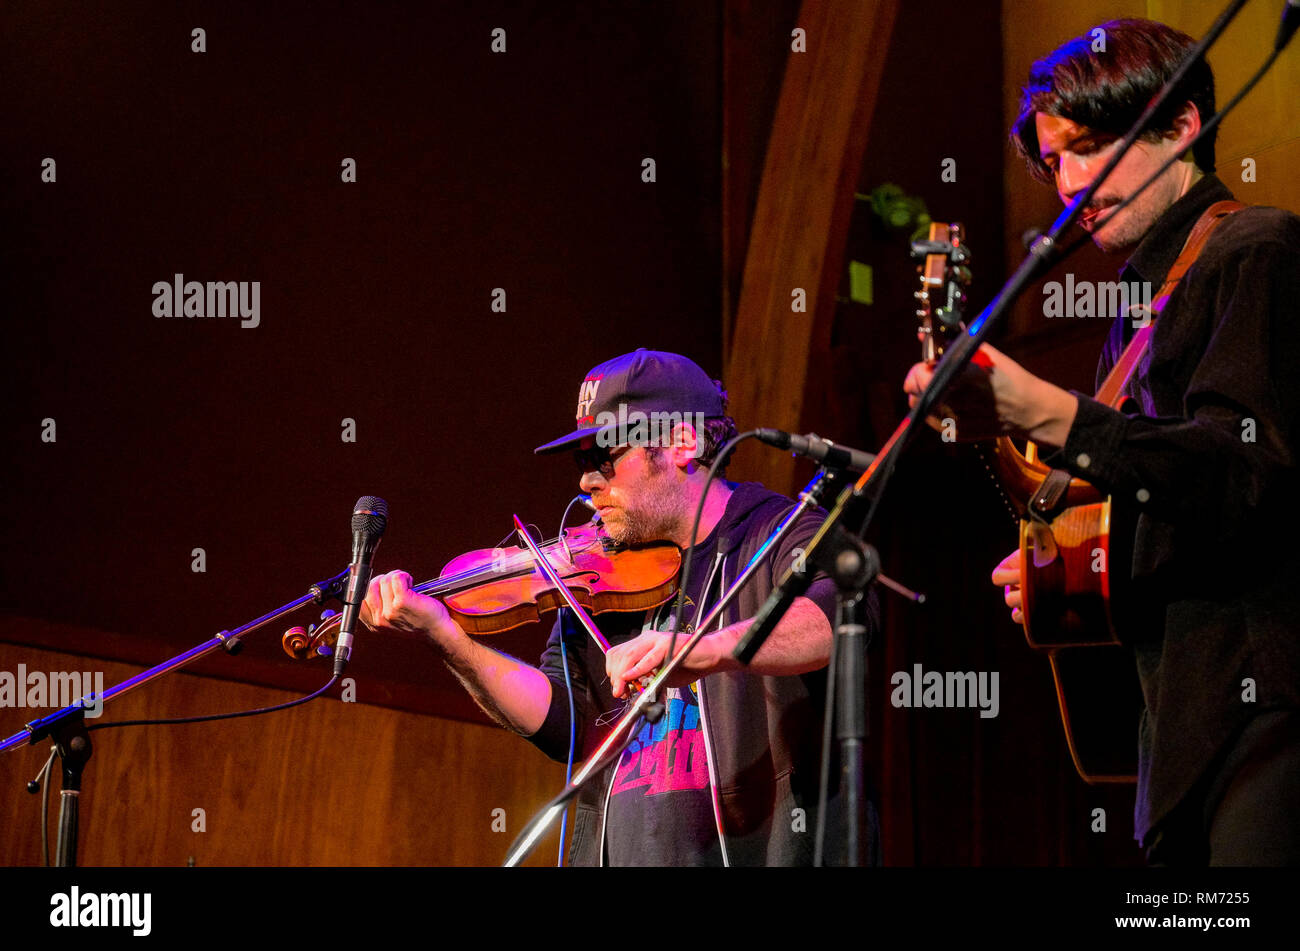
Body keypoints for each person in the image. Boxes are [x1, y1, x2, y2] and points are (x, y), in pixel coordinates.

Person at [904, 19, 1300, 864]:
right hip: (1177, 732)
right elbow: (1157, 494)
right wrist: (1071, 567)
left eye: (1091, 148)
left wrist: (1046, 411)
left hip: (1267, 712)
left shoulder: (1254, 250)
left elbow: (1246, 475)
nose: (1072, 185)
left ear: (1182, 125)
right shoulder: (1136, 306)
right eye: (1055, 163)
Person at [363, 348, 878, 865]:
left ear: (683, 442)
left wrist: (701, 650)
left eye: (603, 458)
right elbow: (564, 719)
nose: (587, 482)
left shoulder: (778, 531)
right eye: (581, 463)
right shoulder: (597, 575)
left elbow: (833, 617)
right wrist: (448, 639)